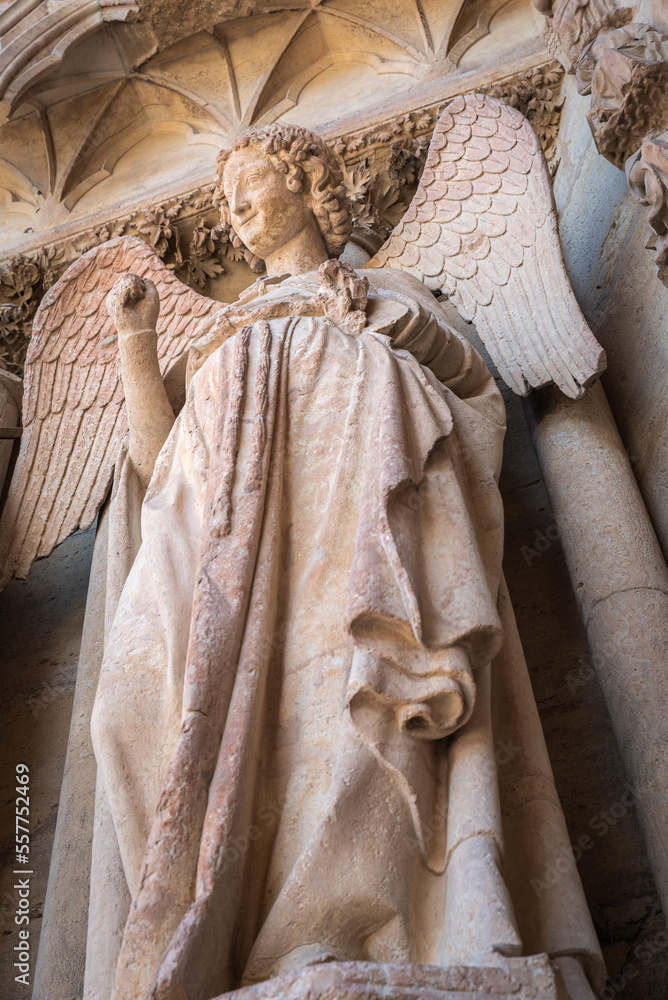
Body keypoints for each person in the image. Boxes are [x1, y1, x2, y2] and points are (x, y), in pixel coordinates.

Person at [89, 124, 602, 1000]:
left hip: (354, 510)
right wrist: (137, 342)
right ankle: (210, 925)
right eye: (226, 201)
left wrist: (371, 326)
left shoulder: (387, 290)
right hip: (221, 548)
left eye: (252, 184)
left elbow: (472, 395)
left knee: (349, 699)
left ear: (306, 183)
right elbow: (154, 463)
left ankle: (353, 925)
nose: (236, 209)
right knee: (128, 709)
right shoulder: (222, 329)